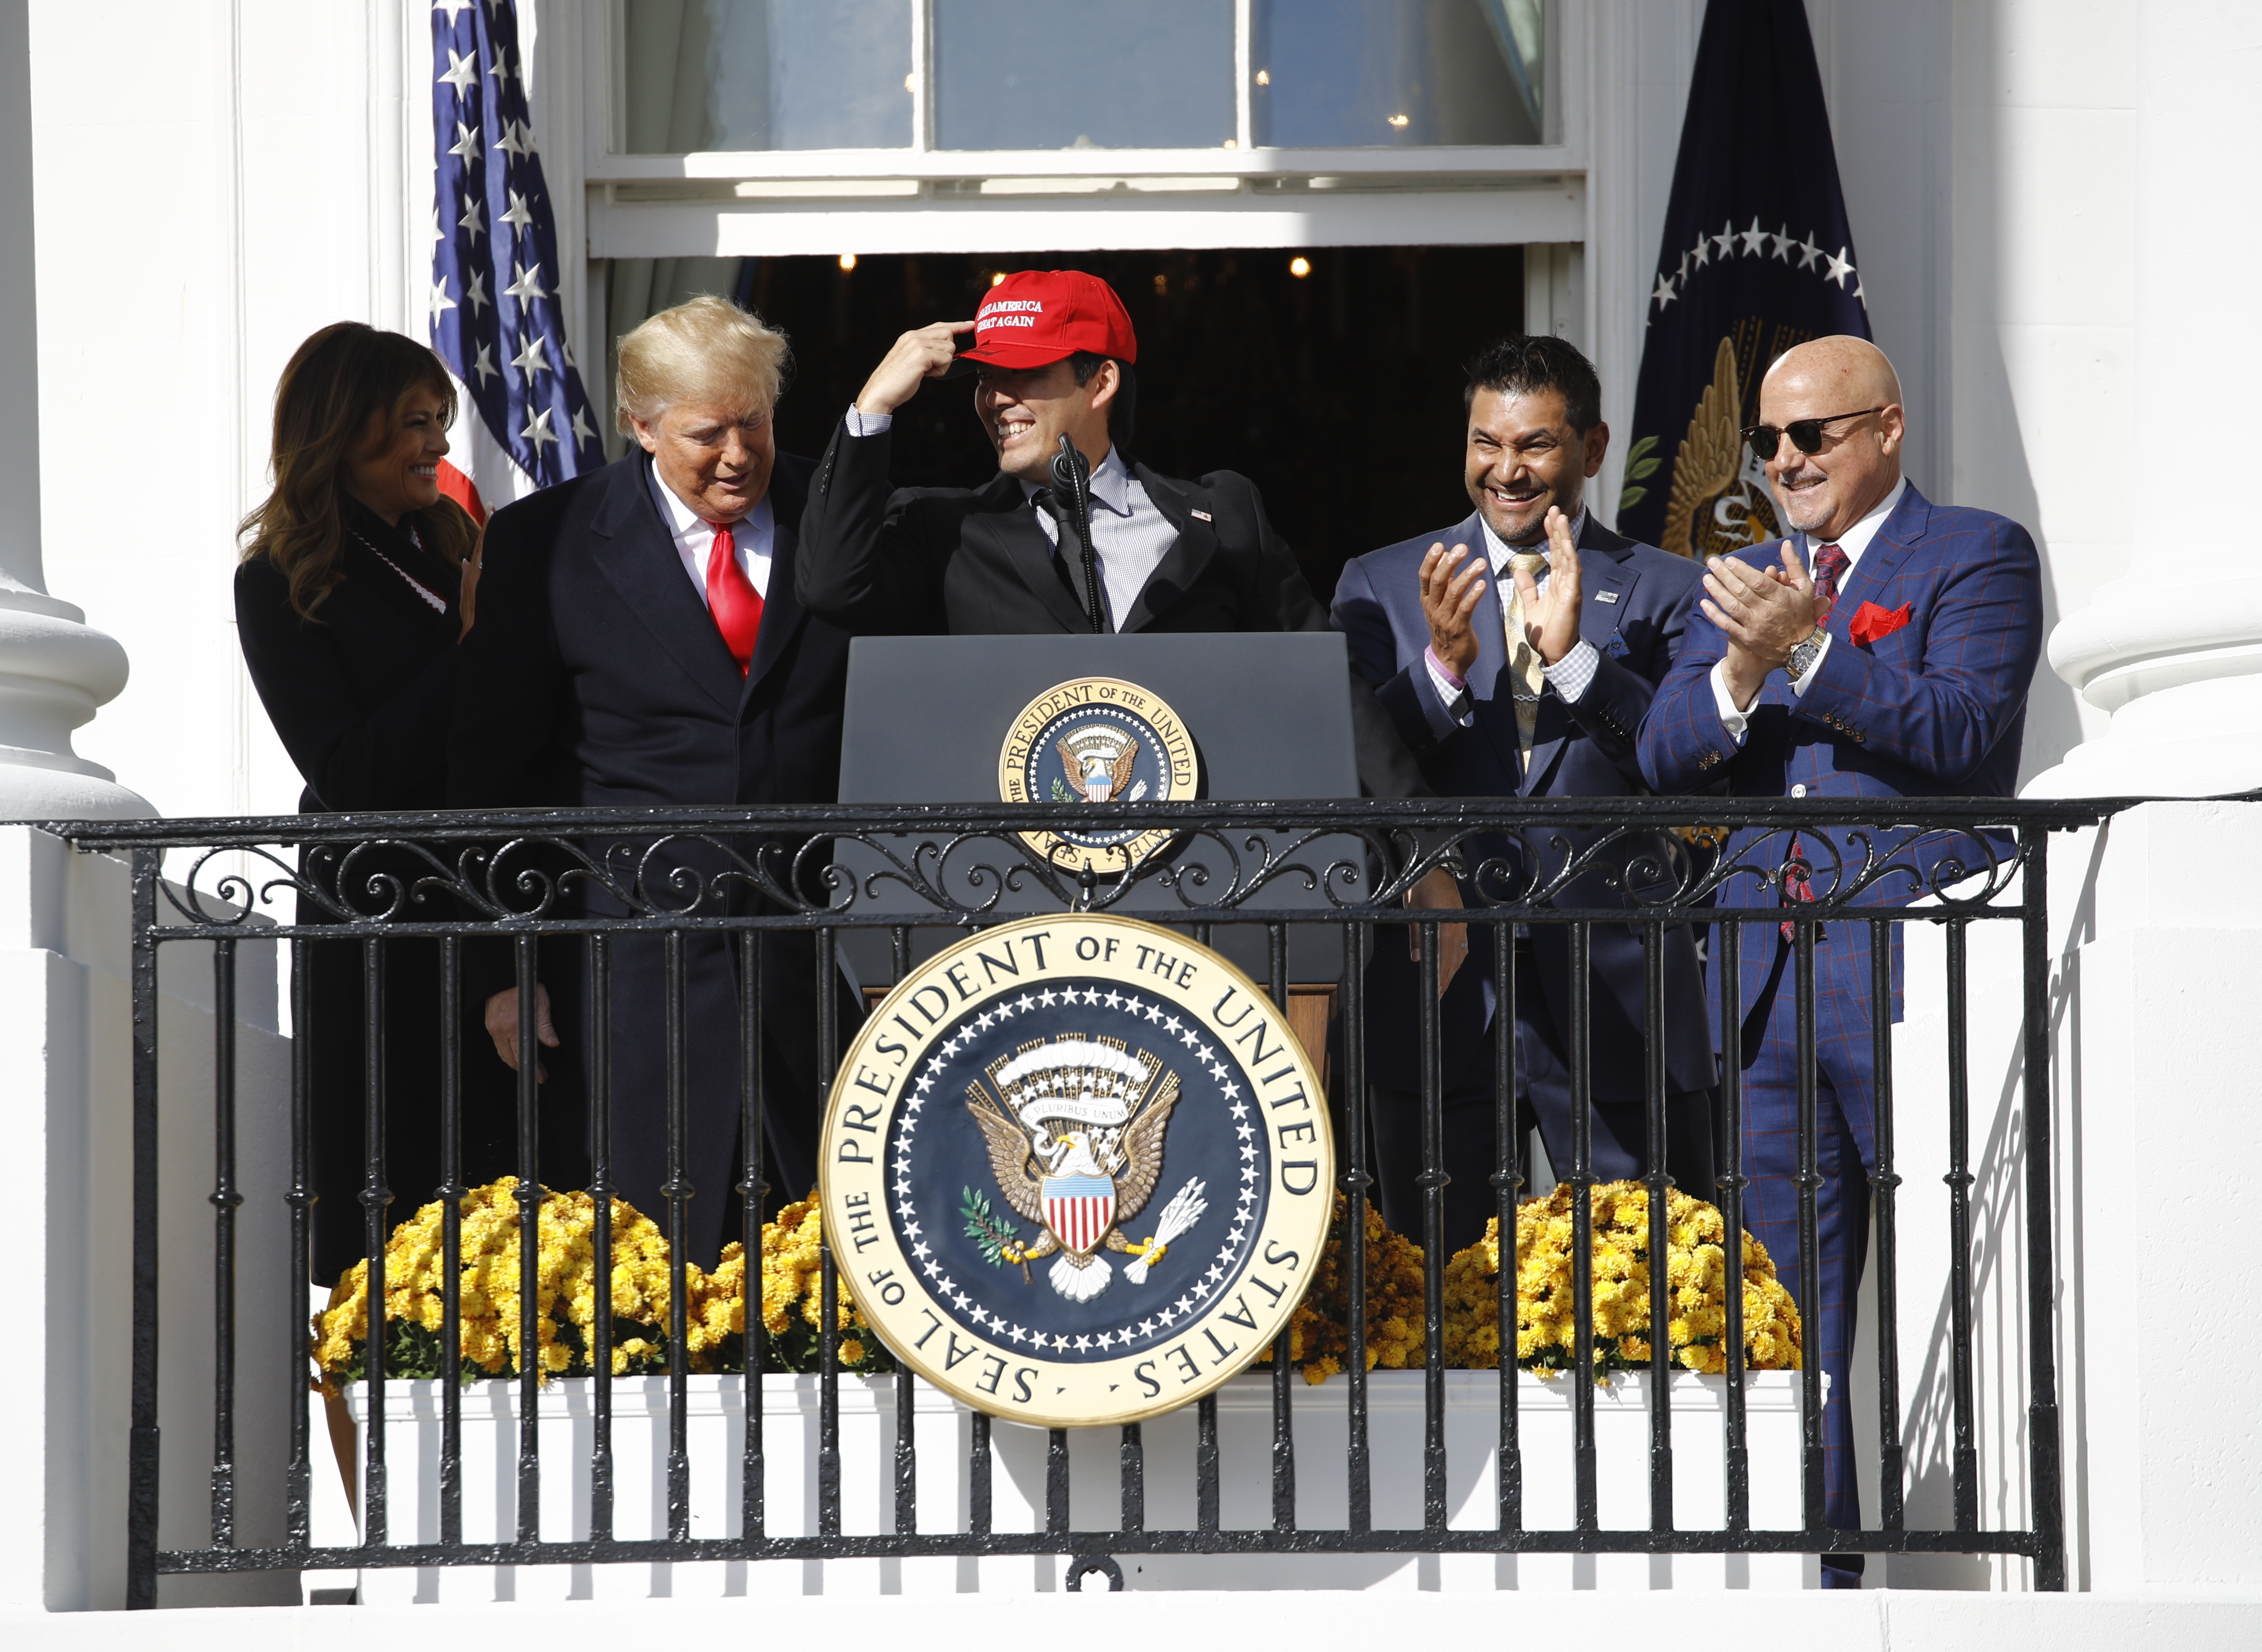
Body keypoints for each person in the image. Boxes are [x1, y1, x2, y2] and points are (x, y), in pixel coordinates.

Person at [1638, 335, 2042, 1587]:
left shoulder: (1973, 552)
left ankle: (1973, 1576)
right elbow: (1662, 755)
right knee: (1781, 1307)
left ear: (1887, 429)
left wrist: (1815, 655)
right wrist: (1748, 667)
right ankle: (1815, 1575)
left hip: (1914, 975)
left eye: (1813, 436)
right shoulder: (1743, 577)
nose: (1785, 462)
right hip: (1765, 985)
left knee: (1950, 1281)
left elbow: (1967, 728)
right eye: (1768, 442)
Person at [448, 295, 854, 1266]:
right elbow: (498, 768)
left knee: (843, 1258)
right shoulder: (548, 543)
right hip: (633, 974)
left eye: (752, 422)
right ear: (640, 426)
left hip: (824, 960)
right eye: (705, 433)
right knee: (651, 1270)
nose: (736, 454)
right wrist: (507, 969)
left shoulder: (837, 521)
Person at [1331, 334, 1718, 1263]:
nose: (1506, 471)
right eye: (1485, 444)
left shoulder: (1669, 589)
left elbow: (1682, 760)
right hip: (1440, 995)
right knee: (1429, 1305)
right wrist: (1441, 670)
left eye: (1536, 445)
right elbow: (1348, 770)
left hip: (1614, 998)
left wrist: (1579, 660)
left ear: (1591, 450)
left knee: (1652, 1294)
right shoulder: (1381, 584)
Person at [793, 267, 1427, 801]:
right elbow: (831, 587)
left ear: (1100, 382)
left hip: (1200, 885)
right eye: (987, 377)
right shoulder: (947, 529)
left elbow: (1322, 680)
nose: (996, 398)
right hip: (1011, 894)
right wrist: (871, 409)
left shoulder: (1221, 514)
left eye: (1025, 374)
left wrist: (1415, 841)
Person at [233, 321, 514, 1286]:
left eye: (441, 419)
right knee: (394, 1225)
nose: (439, 443)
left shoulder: (449, 549)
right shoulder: (280, 583)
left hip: (489, 915)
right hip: (382, 933)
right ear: (344, 431)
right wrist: (476, 649)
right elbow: (348, 771)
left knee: (507, 1211)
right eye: (415, 422)